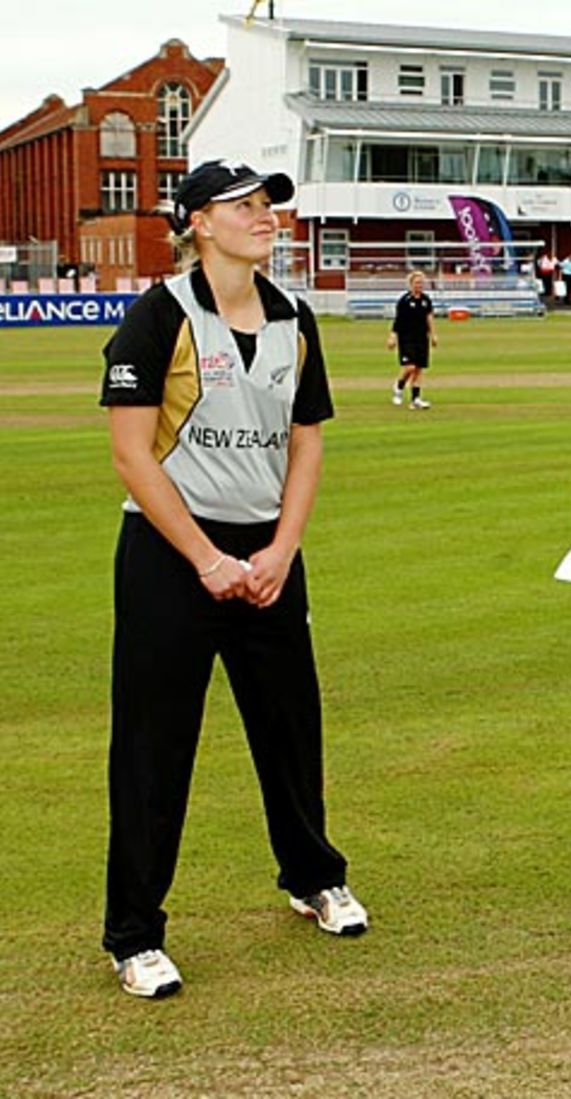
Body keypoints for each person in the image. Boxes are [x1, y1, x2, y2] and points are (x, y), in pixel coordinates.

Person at [99, 160, 368, 999]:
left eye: (268, 205)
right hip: (170, 556)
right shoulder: (158, 317)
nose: (264, 217)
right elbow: (130, 452)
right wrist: (205, 558)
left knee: (291, 728)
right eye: (242, 206)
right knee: (153, 746)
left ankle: (312, 876)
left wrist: (282, 550)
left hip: (268, 552)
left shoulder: (294, 318)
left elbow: (306, 442)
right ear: (198, 224)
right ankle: (134, 933)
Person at [388, 269, 437, 409]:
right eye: (416, 282)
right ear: (411, 284)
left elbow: (429, 317)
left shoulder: (426, 300)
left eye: (421, 283)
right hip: (407, 338)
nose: (419, 285)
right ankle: (399, 387)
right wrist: (393, 336)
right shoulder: (404, 301)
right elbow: (398, 320)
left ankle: (416, 399)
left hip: (422, 337)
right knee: (410, 367)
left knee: (419, 369)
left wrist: (433, 335)